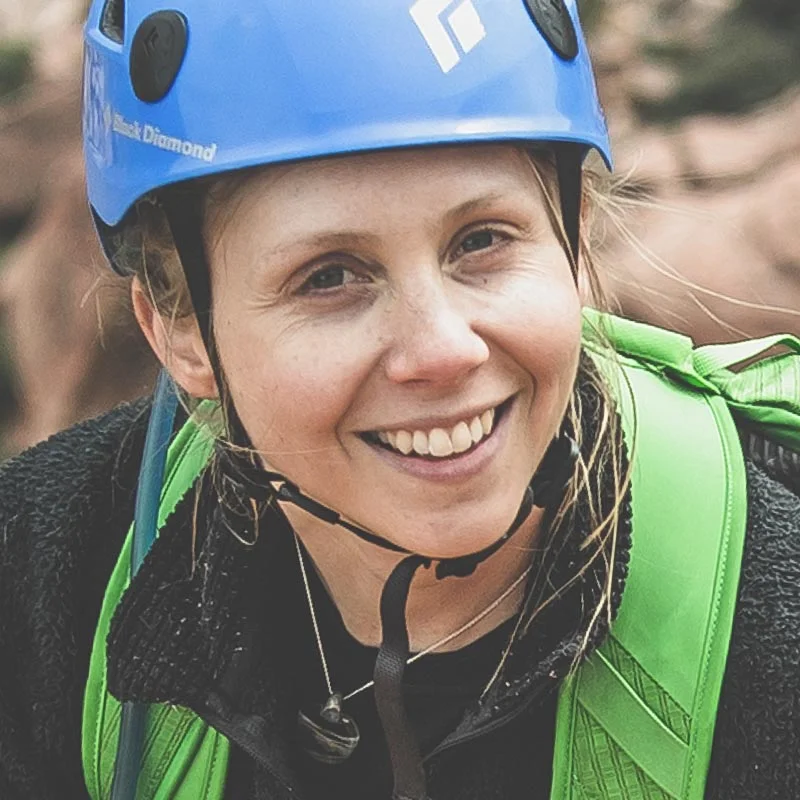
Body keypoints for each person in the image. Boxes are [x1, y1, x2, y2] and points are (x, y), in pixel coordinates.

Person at [1, 1, 799, 799]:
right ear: (180, 334)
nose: (444, 350)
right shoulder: (48, 572)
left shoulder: (770, 620)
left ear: (574, 238)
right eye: (330, 276)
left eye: (483, 240)